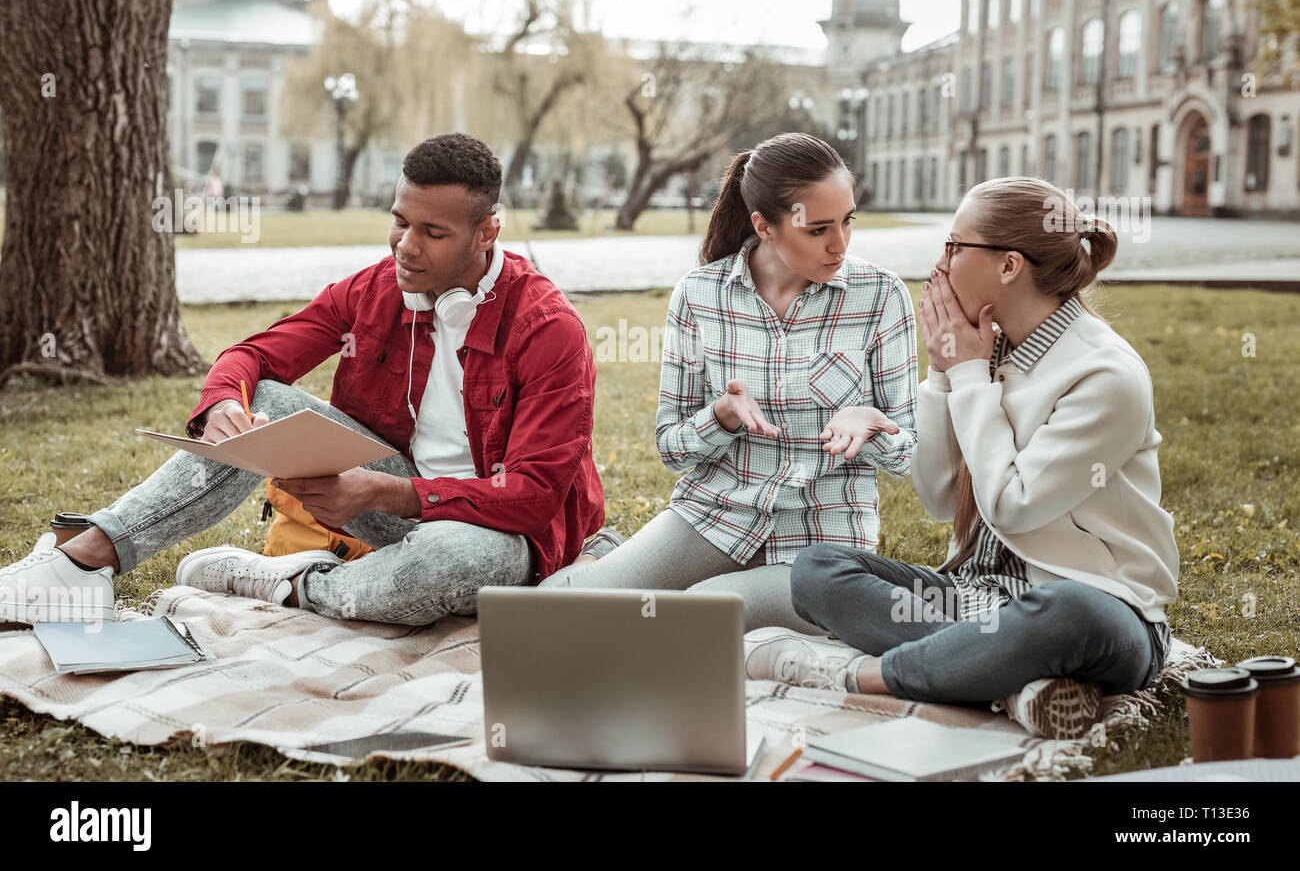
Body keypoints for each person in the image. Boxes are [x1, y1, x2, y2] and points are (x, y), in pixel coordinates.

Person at [0, 133, 606, 626]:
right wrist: (221, 407)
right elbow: (254, 357)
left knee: (452, 560)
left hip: (504, 530)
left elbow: (532, 498)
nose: (405, 246)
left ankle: (298, 586)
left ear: (487, 233)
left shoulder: (548, 329)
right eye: (400, 222)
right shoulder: (373, 290)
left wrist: (378, 492)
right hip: (398, 497)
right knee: (259, 400)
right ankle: (85, 562)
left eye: (433, 233)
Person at [744, 176, 1180, 739]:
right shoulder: (984, 347)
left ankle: (872, 676)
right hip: (975, 602)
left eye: (955, 246)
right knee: (817, 571)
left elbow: (1013, 507)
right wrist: (943, 371)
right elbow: (939, 497)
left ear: (1009, 266)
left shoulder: (1106, 375)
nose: (940, 264)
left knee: (1068, 612)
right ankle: (1009, 681)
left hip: (1102, 611)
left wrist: (969, 373)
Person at [541, 133, 918, 632]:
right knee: (551, 608)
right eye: (819, 229)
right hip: (714, 514)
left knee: (692, 619)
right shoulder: (700, 295)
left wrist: (871, 424)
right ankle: (609, 555)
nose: (839, 245)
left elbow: (906, 451)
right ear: (764, 226)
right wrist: (718, 416)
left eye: (848, 221)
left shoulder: (882, 297)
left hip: (821, 541)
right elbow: (672, 448)